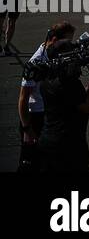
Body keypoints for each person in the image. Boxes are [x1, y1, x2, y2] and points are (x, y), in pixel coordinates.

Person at [36, 35, 89, 174]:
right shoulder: (67, 83)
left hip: (48, 141)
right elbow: (88, 106)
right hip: (69, 147)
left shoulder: (48, 77)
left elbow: (76, 99)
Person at [18, 21, 77, 173]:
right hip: (35, 117)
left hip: (47, 114)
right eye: (68, 41)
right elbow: (23, 98)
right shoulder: (36, 62)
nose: (70, 45)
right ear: (55, 40)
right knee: (29, 162)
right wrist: (26, 128)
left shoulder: (54, 55)